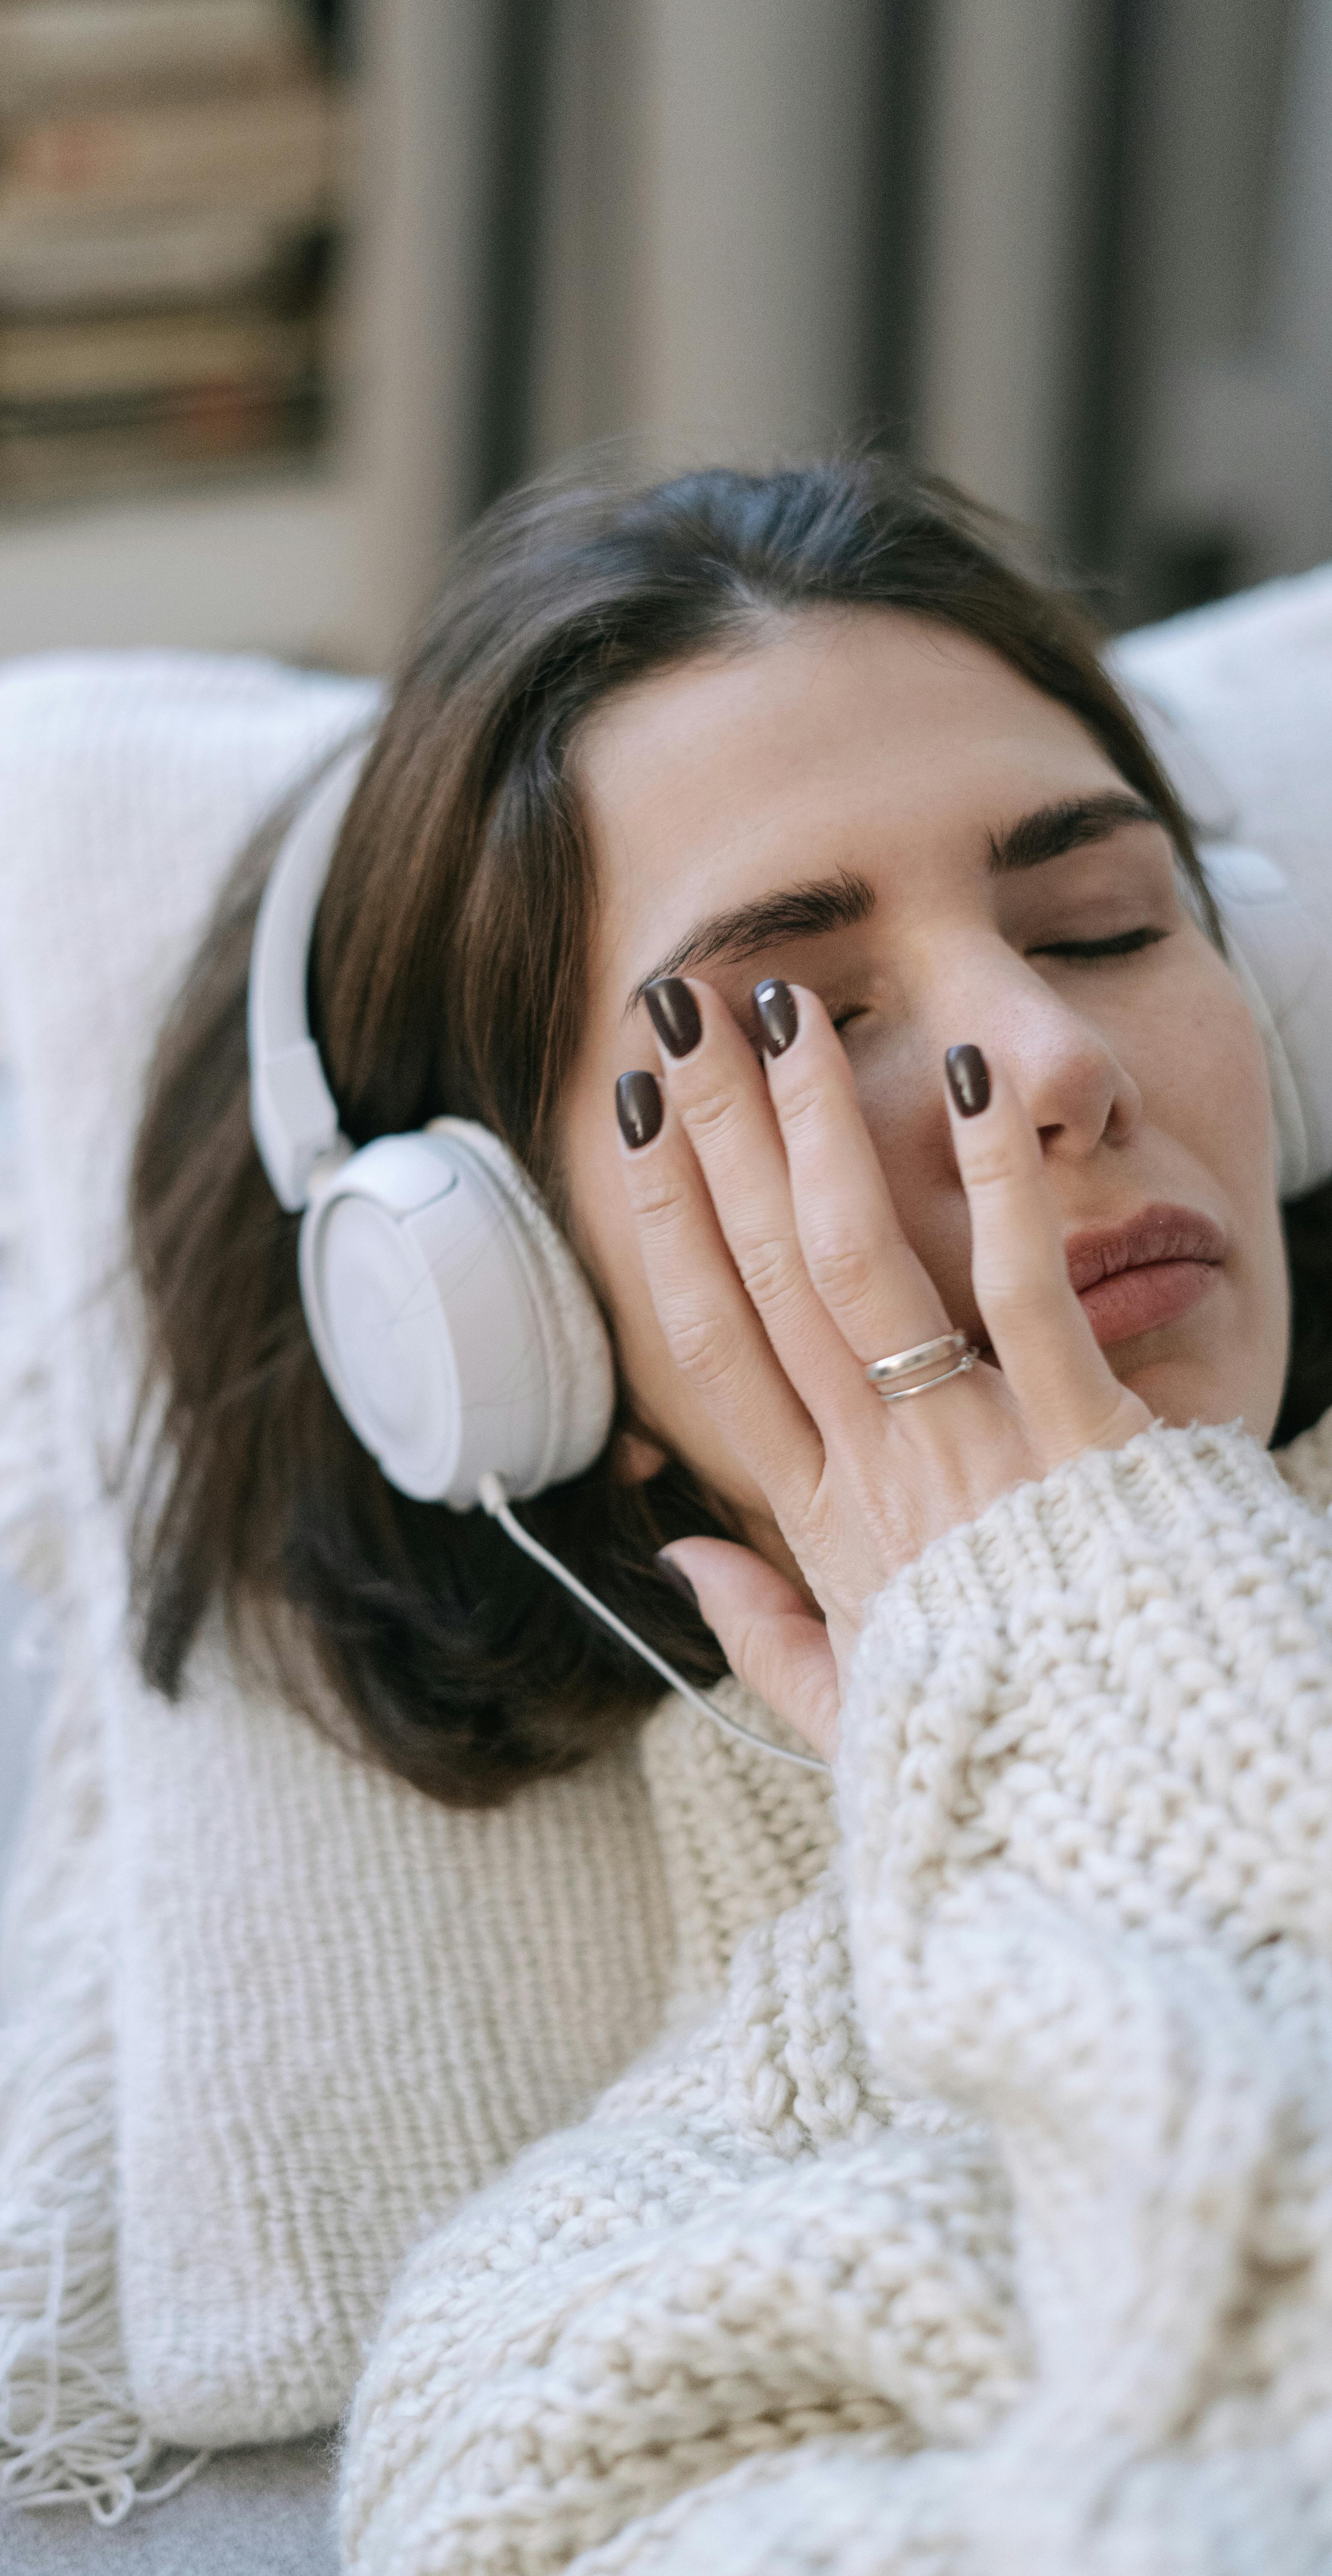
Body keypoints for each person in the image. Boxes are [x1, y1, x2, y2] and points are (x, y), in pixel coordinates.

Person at [131, 460, 1332, 2570]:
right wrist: (1097, 1624)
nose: (1044, 1052)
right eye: (791, 1029)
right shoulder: (580, 2374)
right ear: (512, 1317)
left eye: (1104, 925)